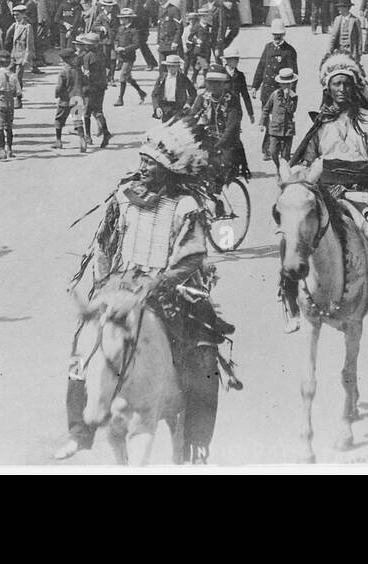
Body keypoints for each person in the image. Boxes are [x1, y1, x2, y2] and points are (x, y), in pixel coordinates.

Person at [57, 118, 238, 464]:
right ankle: (79, 429)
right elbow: (105, 245)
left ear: (168, 171)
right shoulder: (123, 199)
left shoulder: (184, 207)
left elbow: (192, 256)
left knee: (204, 352)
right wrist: (105, 282)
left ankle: (197, 443)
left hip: (171, 290)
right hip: (120, 285)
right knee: (82, 345)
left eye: (150, 165)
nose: (141, 169)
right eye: (141, 161)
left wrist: (160, 281)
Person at [290, 53, 368, 337]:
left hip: (361, 194)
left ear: (354, 87)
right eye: (337, 85)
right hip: (326, 191)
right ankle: (289, 303)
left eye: (347, 84)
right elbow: (305, 163)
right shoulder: (320, 124)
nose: (342, 90)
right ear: (328, 89)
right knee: (293, 233)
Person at [259, 67, 298, 174]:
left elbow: (292, 110)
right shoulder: (275, 94)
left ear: (292, 84)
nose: (286, 86)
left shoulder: (293, 96)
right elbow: (266, 108)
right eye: (284, 84)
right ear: (280, 84)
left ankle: (283, 173)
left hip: (287, 129)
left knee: (285, 155)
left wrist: (287, 99)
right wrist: (262, 122)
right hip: (275, 128)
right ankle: (278, 168)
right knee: (273, 152)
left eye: (288, 84)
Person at [252, 21, 298, 111]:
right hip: (267, 92)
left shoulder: (289, 51)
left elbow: (293, 74)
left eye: (279, 34)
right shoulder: (268, 47)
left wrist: (289, 92)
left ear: (284, 34)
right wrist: (255, 86)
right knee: (265, 119)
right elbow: (261, 68)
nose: (277, 37)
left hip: (280, 92)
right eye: (275, 34)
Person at [54, 45, 87, 152]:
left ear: (63, 59)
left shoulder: (63, 72)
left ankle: (58, 141)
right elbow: (85, 82)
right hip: (77, 97)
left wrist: (57, 94)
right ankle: (82, 139)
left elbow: (59, 87)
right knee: (77, 120)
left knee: (59, 119)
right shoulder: (78, 70)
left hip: (65, 99)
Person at [152, 53, 196, 122]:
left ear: (178, 67)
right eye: (168, 66)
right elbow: (155, 94)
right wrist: (157, 107)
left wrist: (188, 103)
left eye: (173, 66)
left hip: (178, 107)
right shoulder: (162, 77)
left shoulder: (182, 78)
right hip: (165, 107)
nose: (170, 69)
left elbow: (192, 92)